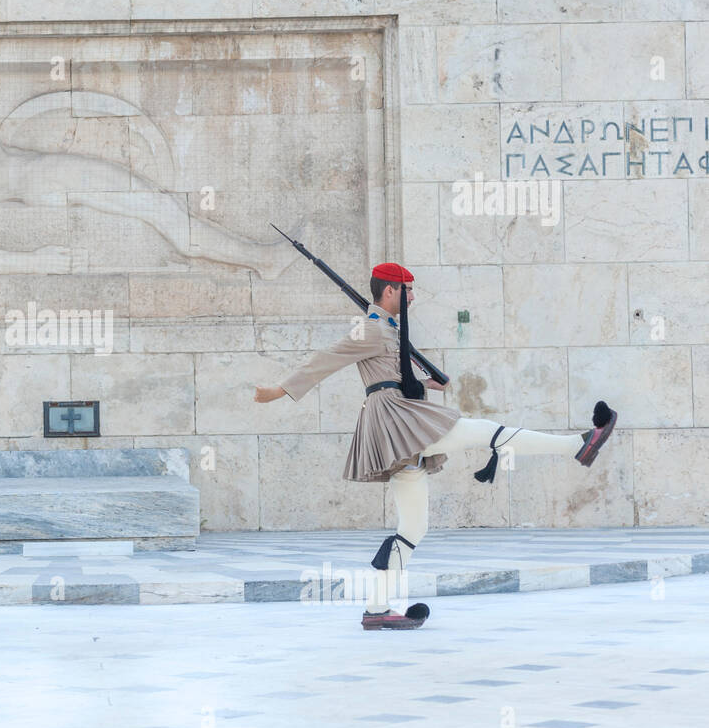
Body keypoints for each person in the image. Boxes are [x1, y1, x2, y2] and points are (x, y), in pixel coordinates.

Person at [254, 262, 617, 630]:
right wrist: (280, 390)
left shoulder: (387, 329)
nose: (412, 296)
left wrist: (426, 382)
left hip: (398, 418)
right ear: (390, 291)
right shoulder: (372, 328)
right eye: (407, 290)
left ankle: (377, 609)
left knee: (413, 525)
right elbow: (325, 360)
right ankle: (576, 446)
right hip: (399, 420)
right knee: (484, 430)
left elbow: (391, 375)